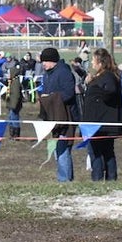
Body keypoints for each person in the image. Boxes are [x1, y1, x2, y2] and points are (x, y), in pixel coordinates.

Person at [38, 47, 78, 182]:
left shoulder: (64, 73)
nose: (43, 64)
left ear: (53, 60)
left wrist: (50, 97)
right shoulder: (47, 74)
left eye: (46, 61)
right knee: (58, 149)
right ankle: (65, 178)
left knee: (62, 148)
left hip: (66, 117)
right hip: (53, 117)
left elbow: (68, 94)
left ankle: (64, 180)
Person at [83, 48, 122, 181]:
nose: (92, 64)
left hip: (102, 123)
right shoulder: (100, 77)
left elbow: (110, 92)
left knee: (101, 153)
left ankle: (101, 179)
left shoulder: (108, 77)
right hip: (96, 122)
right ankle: (104, 178)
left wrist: (96, 93)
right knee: (102, 152)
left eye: (94, 61)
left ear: (100, 63)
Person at [5, 56, 24, 139]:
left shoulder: (15, 83)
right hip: (11, 104)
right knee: (11, 119)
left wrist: (14, 105)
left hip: (14, 105)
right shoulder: (11, 82)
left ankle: (16, 135)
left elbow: (16, 95)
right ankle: (12, 134)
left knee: (14, 119)